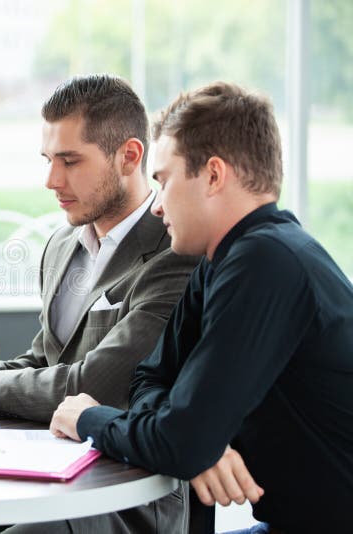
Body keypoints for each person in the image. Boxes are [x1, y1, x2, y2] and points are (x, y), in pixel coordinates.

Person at [50, 81, 353, 533]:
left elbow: (181, 440)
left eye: (164, 180)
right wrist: (197, 442)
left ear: (213, 175)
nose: (156, 206)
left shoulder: (267, 261)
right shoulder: (222, 260)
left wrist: (88, 418)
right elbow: (149, 379)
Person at [0, 75, 199, 533]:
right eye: (49, 159)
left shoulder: (176, 256)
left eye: (70, 161)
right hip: (46, 471)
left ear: (129, 156)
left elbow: (96, 384)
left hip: (124, 500)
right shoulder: (61, 246)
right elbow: (46, 358)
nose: (52, 180)